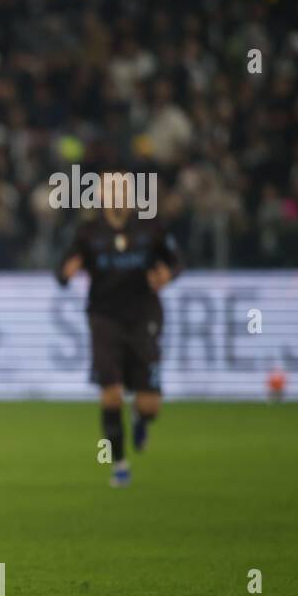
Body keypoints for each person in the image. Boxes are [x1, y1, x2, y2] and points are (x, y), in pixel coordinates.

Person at [57, 179, 182, 487]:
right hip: (104, 318)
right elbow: (61, 271)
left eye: (123, 191)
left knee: (149, 404)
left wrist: (168, 273)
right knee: (111, 394)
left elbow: (176, 262)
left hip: (144, 317)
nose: (117, 196)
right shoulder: (88, 232)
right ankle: (119, 464)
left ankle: (142, 419)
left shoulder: (150, 228)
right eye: (111, 191)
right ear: (101, 196)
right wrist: (66, 273)